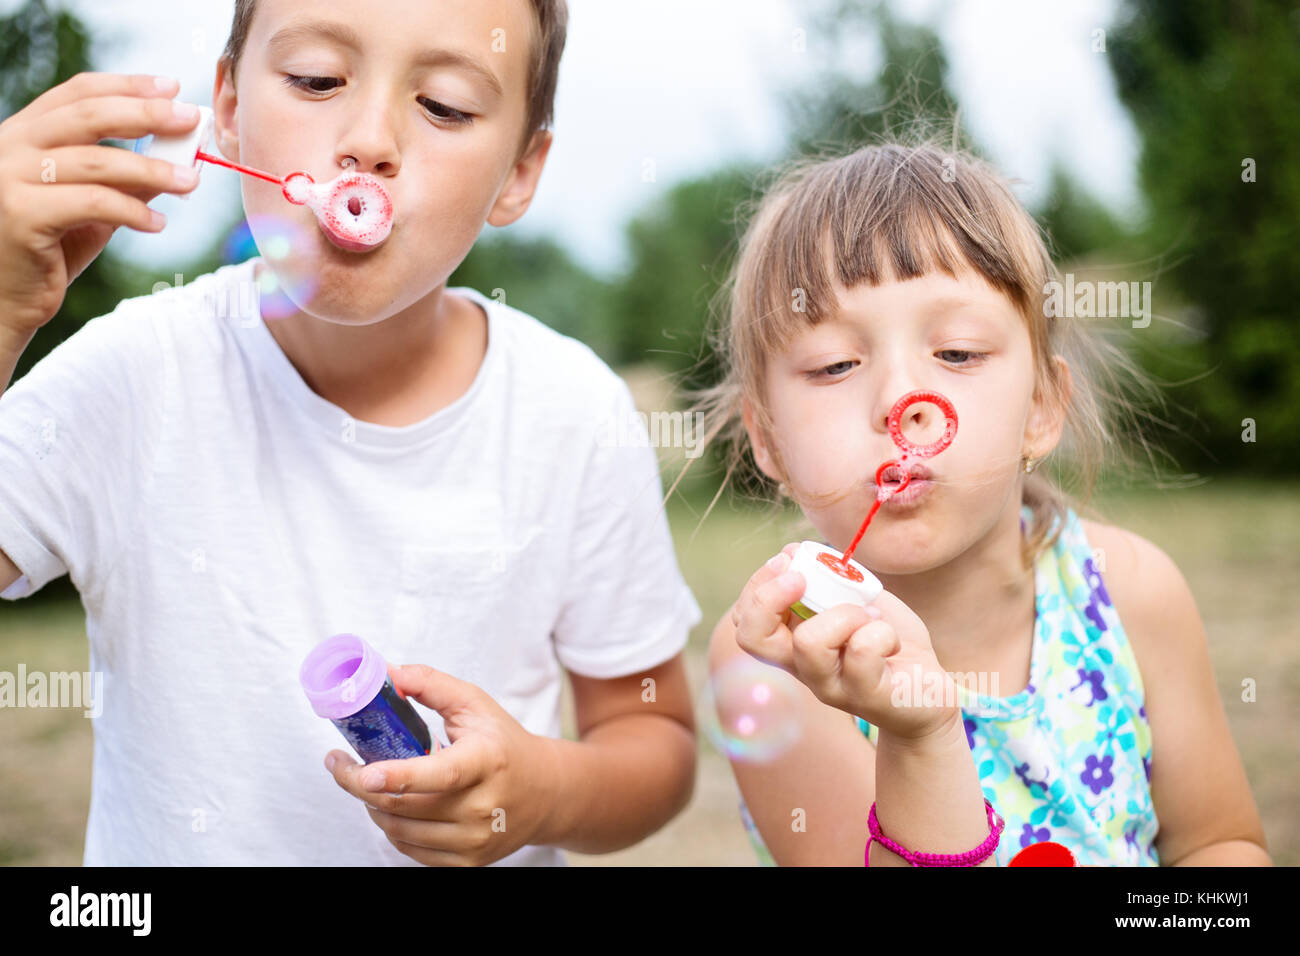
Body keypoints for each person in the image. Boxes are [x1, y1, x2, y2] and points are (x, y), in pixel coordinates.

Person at [0, 0, 702, 866]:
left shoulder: (573, 414)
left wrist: (541, 794)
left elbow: (653, 737)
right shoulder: (133, 376)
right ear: (227, 105)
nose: (369, 140)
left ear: (519, 171)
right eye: (316, 80)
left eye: (443, 104)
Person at [695, 140, 1270, 866]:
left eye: (958, 353)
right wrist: (919, 737)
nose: (901, 405)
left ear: (1040, 408)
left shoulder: (1131, 591)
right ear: (767, 440)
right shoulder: (783, 654)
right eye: (836, 364)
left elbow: (1220, 844)